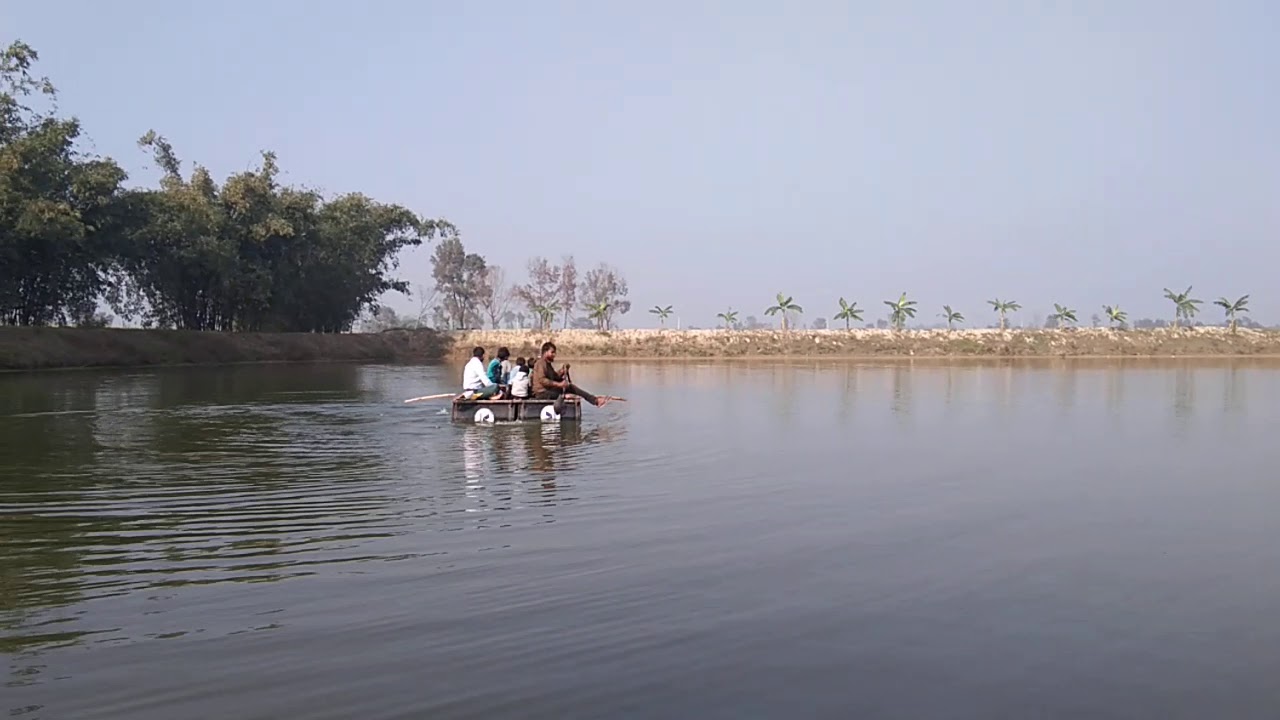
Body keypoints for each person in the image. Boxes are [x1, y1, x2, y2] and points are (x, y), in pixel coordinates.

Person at [531, 341, 610, 409]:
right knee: (567, 391)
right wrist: (559, 385)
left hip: (549, 391)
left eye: (554, 352)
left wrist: (563, 370)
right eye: (552, 352)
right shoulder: (541, 363)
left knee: (570, 386)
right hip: (542, 393)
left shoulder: (548, 364)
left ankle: (595, 401)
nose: (554, 355)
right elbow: (542, 380)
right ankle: (592, 400)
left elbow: (555, 377)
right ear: (545, 352)